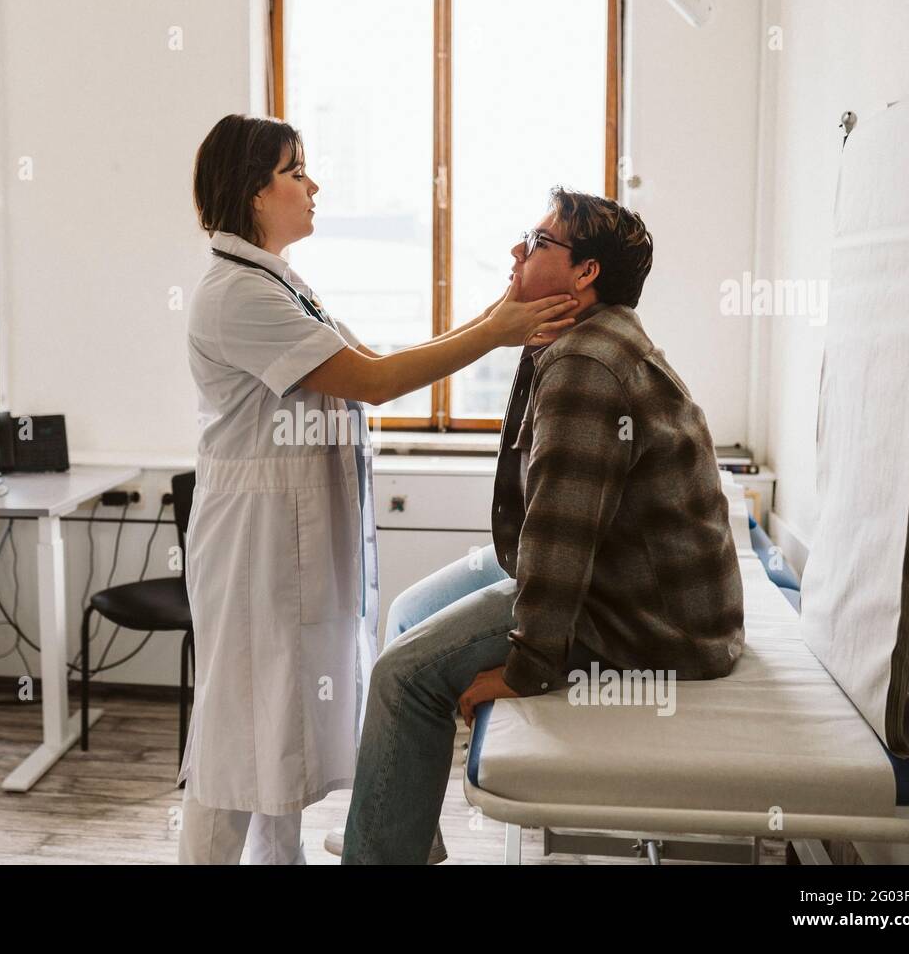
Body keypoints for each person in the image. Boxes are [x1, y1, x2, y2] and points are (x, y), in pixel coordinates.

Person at [178, 114, 580, 864]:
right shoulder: (237, 295)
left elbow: (374, 359)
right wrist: (498, 330)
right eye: (296, 171)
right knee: (239, 740)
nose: (313, 184)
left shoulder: (281, 280)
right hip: (254, 544)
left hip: (288, 535)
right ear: (254, 192)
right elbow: (375, 382)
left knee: (278, 735)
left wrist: (498, 318)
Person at [340, 187, 747, 864]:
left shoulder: (588, 366)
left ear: (585, 273)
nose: (515, 252)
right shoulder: (585, 338)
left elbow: (562, 537)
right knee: (409, 612)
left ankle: (380, 853)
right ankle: (399, 827)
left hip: (644, 621)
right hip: (630, 592)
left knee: (400, 676)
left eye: (536, 242)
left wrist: (527, 667)